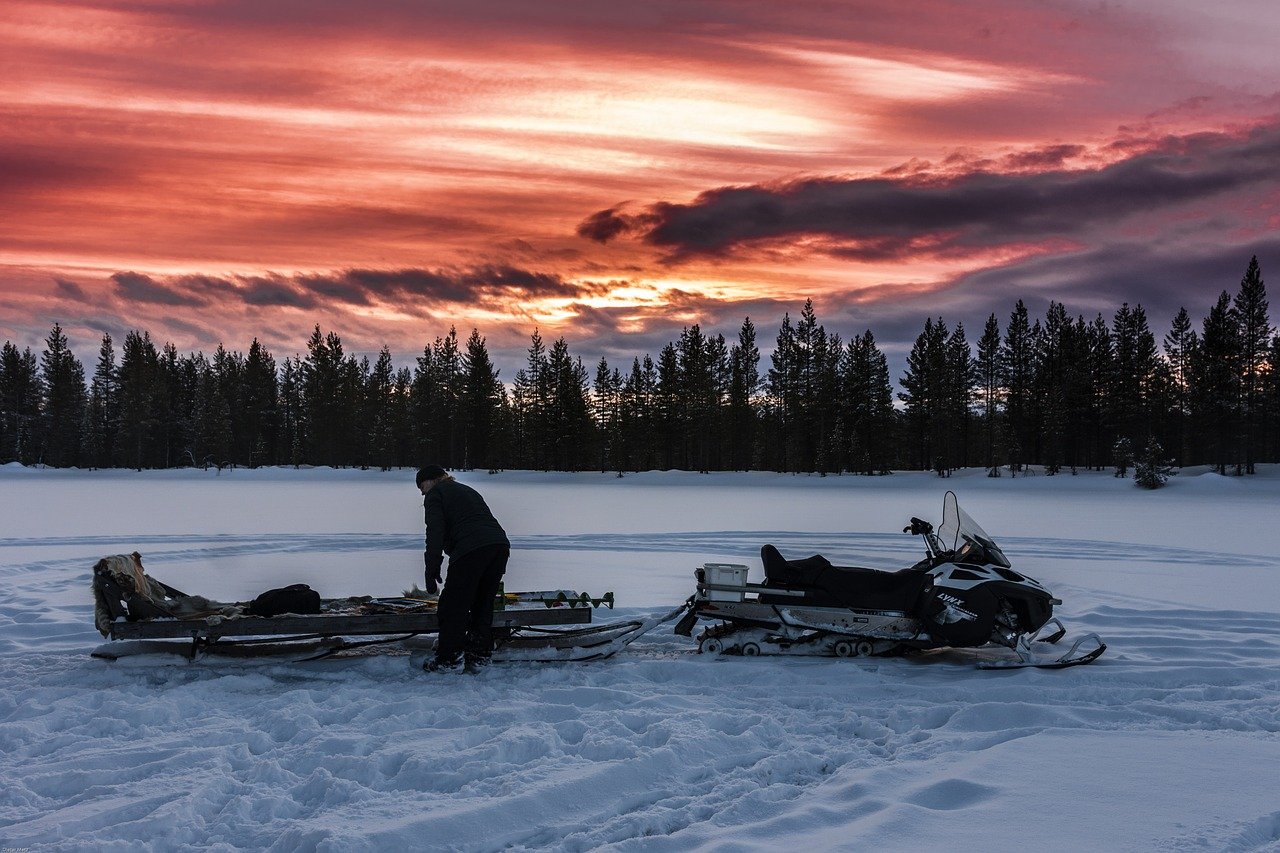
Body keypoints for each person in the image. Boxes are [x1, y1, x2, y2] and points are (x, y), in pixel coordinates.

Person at [417, 465, 511, 673]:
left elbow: (435, 533)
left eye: (421, 486)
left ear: (432, 480)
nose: (422, 492)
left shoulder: (435, 495)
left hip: (471, 549)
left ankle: (449, 659)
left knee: (452, 605)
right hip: (499, 546)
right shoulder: (467, 489)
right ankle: (479, 655)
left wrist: (431, 569)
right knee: (482, 603)